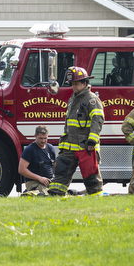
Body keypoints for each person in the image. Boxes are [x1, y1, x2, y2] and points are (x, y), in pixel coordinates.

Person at [48, 67, 104, 196]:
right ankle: (55, 196)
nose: (73, 87)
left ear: (84, 84)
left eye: (75, 84)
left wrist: (92, 140)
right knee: (61, 170)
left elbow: (97, 120)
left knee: (91, 176)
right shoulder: (74, 98)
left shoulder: (92, 100)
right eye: (72, 84)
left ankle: (96, 199)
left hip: (85, 146)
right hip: (69, 145)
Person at [19, 125, 56, 196]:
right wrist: (39, 178)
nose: (43, 141)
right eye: (40, 138)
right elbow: (21, 169)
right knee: (46, 194)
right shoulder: (30, 150)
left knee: (59, 193)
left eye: (45, 138)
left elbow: (55, 167)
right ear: (35, 136)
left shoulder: (50, 148)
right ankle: (29, 193)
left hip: (49, 182)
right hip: (34, 182)